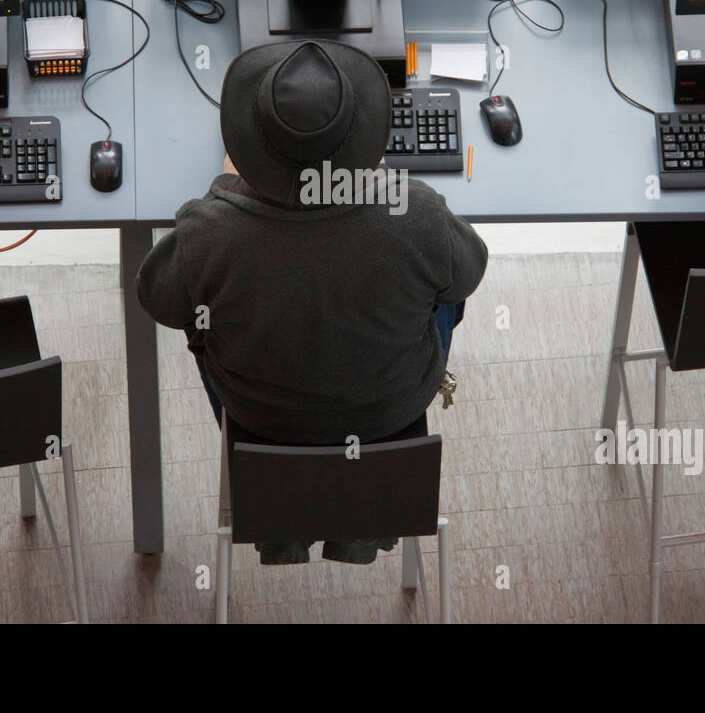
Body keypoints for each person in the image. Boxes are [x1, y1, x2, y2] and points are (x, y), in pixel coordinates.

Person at [137, 39, 488, 563]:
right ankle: (363, 519)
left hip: (262, 430)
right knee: (442, 291)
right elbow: (470, 271)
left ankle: (285, 522)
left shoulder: (208, 232)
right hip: (388, 419)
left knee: (204, 314)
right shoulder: (413, 212)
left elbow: (158, 300)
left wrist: (225, 192)